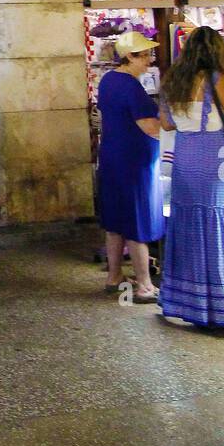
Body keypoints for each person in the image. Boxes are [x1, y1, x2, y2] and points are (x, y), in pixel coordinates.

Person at [158, 25, 224, 329]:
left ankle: (189, 301)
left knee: (190, 225)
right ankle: (222, 304)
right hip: (216, 158)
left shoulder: (172, 80)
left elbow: (166, 124)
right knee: (219, 224)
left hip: (185, 157)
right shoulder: (216, 79)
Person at [96, 30, 162, 302]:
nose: (148, 61)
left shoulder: (108, 81)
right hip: (134, 164)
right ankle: (145, 285)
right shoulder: (132, 87)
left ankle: (114, 276)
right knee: (136, 222)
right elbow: (149, 127)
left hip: (112, 159)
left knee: (115, 222)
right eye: (144, 56)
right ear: (129, 57)